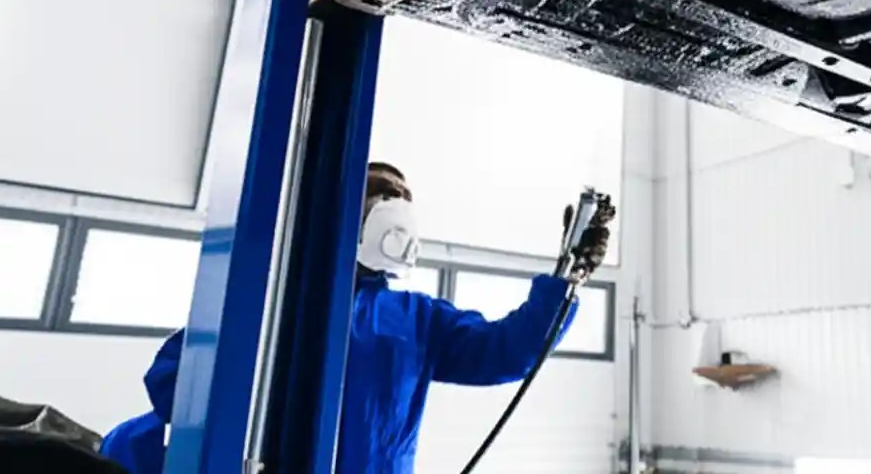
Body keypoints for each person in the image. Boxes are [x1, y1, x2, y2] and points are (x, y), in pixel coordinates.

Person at [100, 162, 614, 474]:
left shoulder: (418, 318)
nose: (392, 202)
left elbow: (510, 351)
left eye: (400, 197)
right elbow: (173, 380)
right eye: (379, 190)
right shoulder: (274, 293)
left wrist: (567, 275)